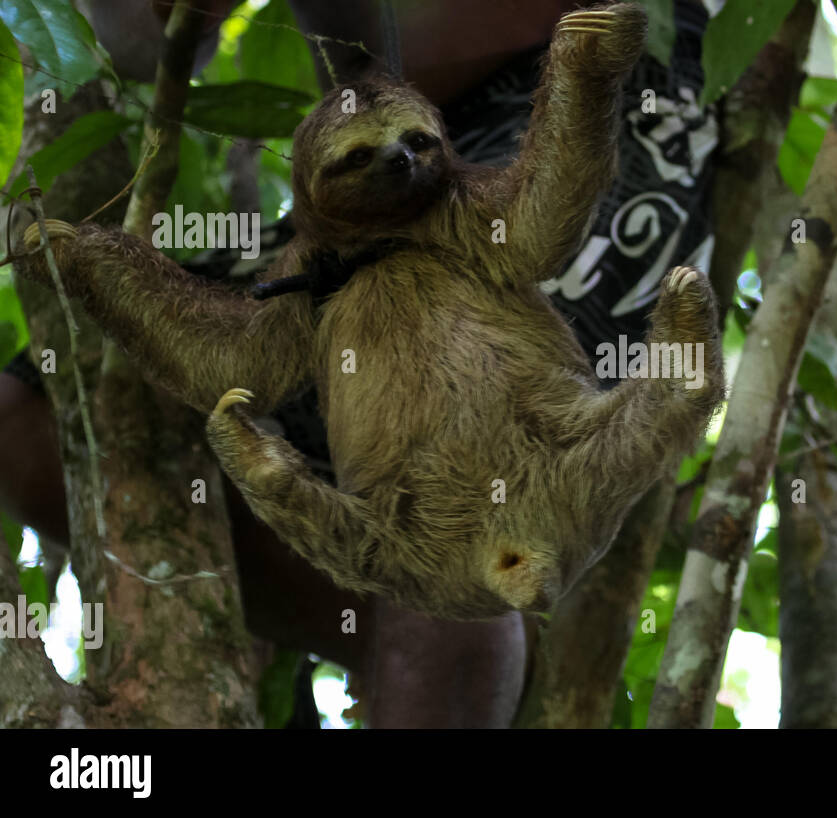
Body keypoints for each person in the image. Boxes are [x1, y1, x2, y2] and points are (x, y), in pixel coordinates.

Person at [0, 0, 716, 727]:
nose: (398, 160)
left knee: (514, 432)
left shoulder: (463, 196)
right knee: (24, 421)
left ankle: (453, 619)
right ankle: (427, 599)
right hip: (354, 233)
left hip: (542, 125)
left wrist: (581, 72)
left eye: (409, 146)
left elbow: (541, 187)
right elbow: (230, 353)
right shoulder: (313, 263)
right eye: (364, 160)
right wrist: (97, 260)